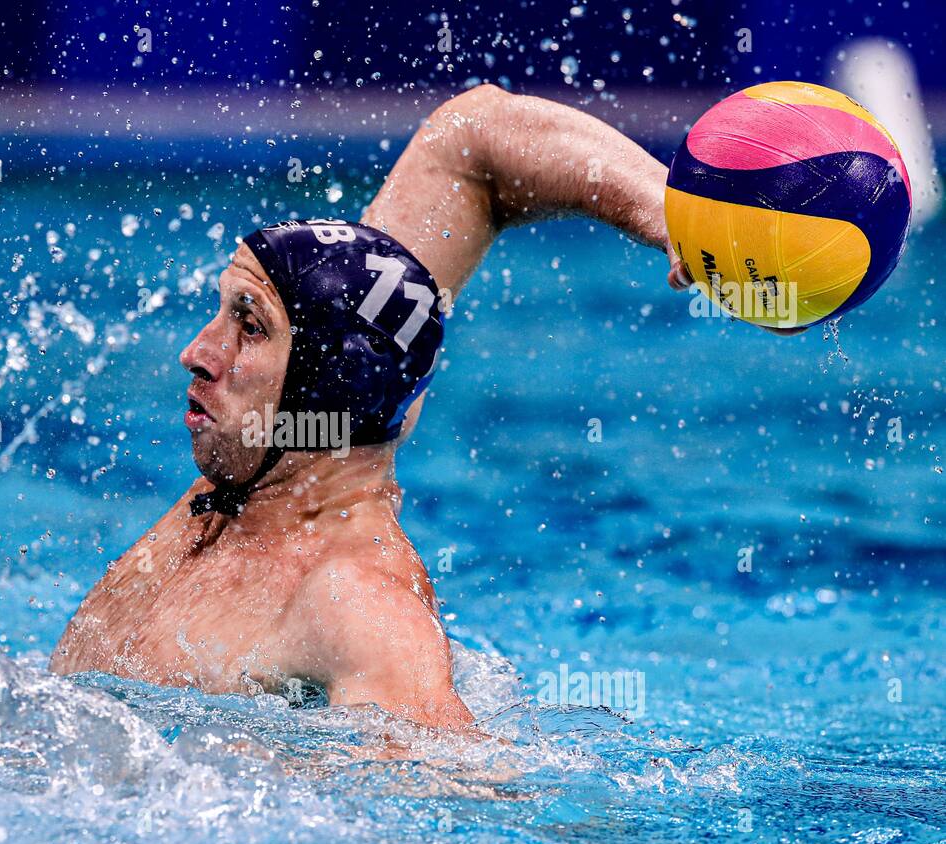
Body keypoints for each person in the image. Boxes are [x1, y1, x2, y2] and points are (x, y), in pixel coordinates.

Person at [49, 84, 798, 729]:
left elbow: (459, 806)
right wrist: (677, 216)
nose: (199, 353)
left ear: (324, 388)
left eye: (248, 325)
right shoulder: (256, 472)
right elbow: (474, 139)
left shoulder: (354, 607)